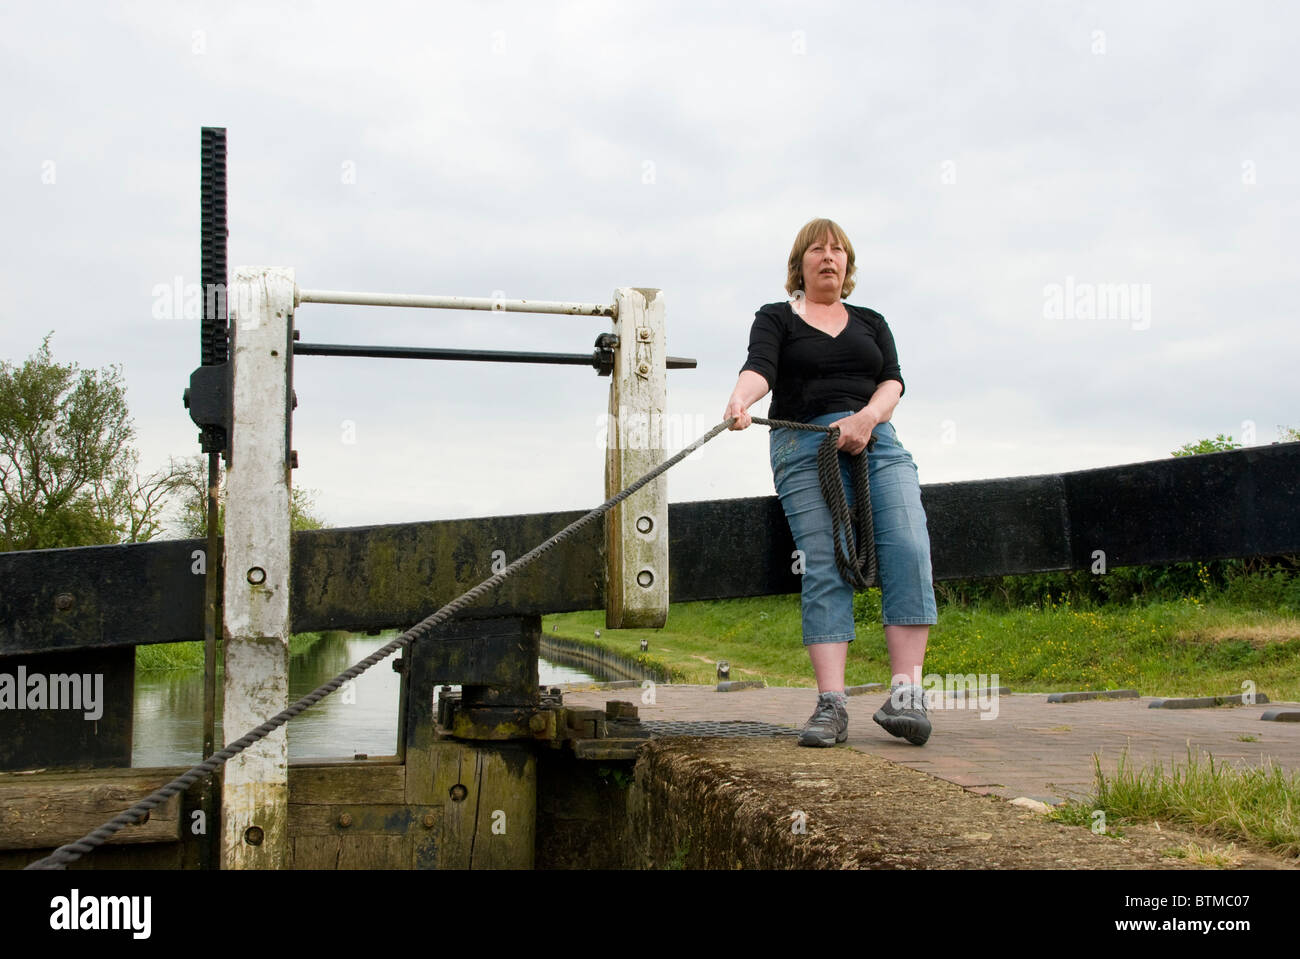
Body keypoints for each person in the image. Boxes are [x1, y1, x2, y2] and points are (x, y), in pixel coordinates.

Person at [723, 217, 938, 747]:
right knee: (827, 558)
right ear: (799, 265)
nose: (828, 257)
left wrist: (866, 420)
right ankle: (831, 705)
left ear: (848, 265)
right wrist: (740, 399)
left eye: (838, 250)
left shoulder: (871, 320)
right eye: (816, 249)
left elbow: (893, 381)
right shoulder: (776, 317)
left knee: (909, 546)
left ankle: (907, 695)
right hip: (805, 445)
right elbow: (760, 367)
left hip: (876, 440)